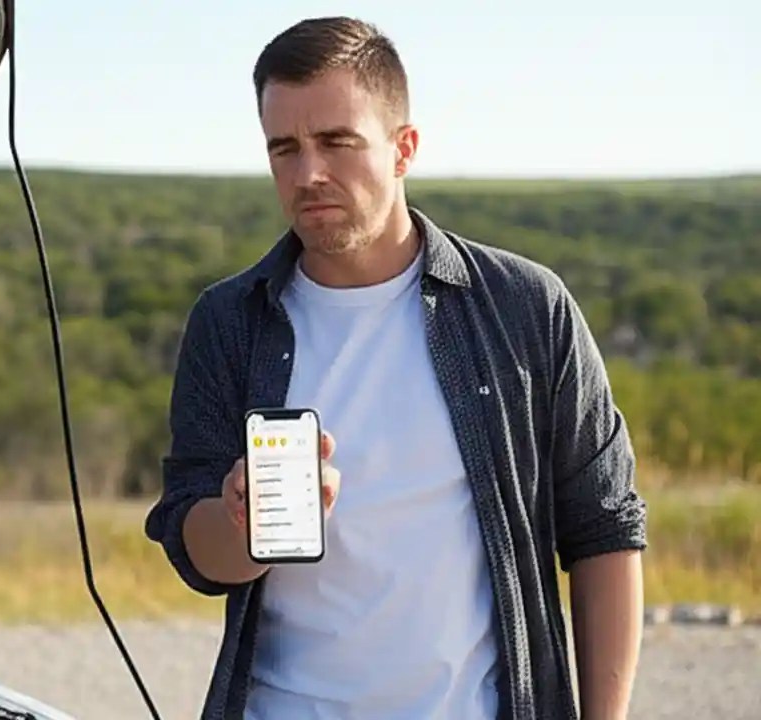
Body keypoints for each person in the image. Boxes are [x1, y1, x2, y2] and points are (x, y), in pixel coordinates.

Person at [143, 15, 648, 720]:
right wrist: (241, 521)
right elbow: (195, 551)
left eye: (336, 142)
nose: (308, 173)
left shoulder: (525, 307)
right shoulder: (230, 321)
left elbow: (605, 531)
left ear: (404, 147)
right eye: (283, 148)